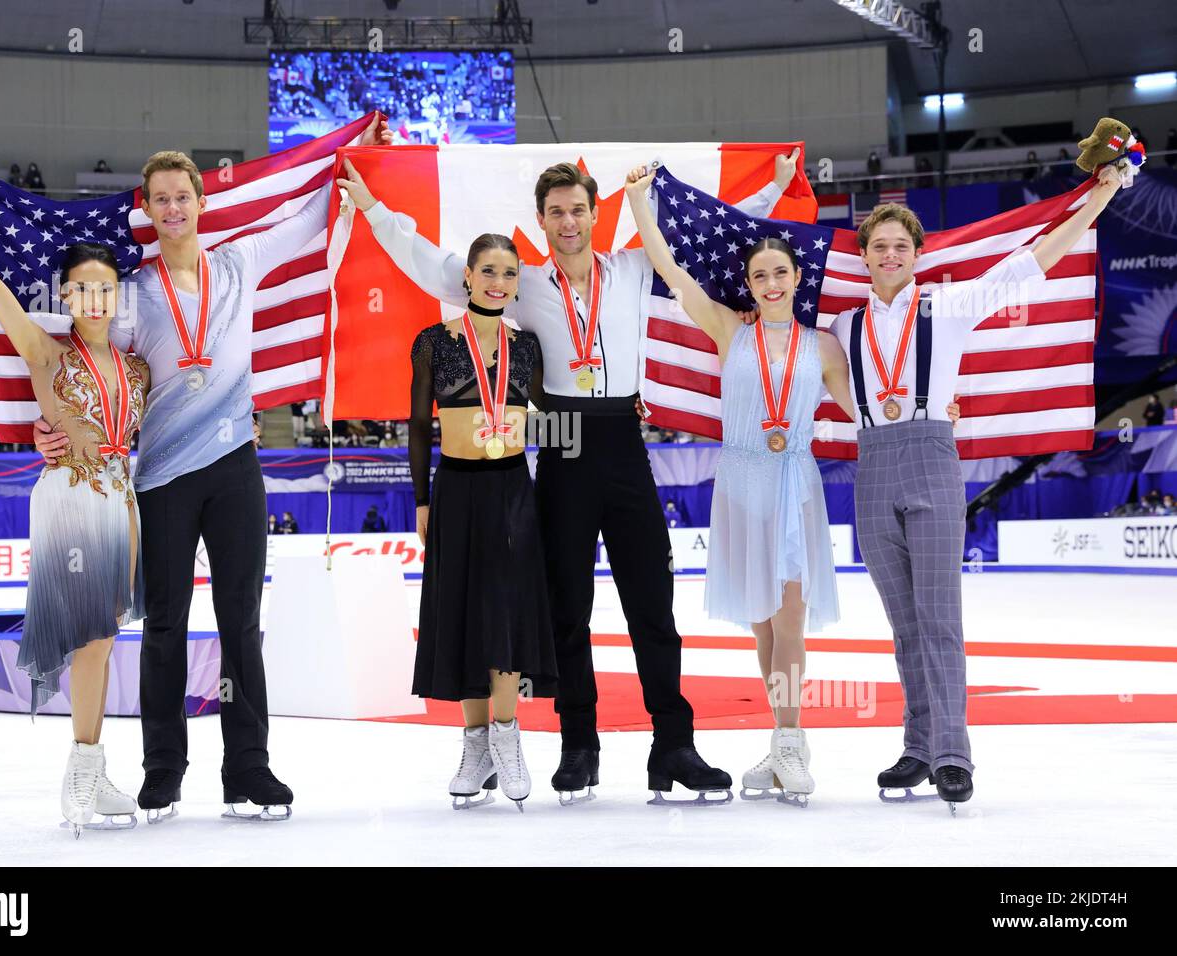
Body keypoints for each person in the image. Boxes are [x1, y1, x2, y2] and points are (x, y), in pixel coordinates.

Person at [341, 147, 803, 805]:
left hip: (622, 439)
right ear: (542, 217)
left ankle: (674, 744)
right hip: (561, 444)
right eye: (555, 212)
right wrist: (373, 209)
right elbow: (436, 264)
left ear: (595, 213)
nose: (567, 221)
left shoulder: (636, 265)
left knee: (652, 604)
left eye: (577, 209)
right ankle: (578, 746)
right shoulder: (523, 281)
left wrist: (776, 188)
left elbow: (714, 235)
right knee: (568, 609)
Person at [33, 115, 394, 822]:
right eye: (160, 198)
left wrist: (362, 164)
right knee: (164, 624)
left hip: (234, 469)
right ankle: (162, 769)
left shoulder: (240, 262)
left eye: (183, 197)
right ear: (146, 206)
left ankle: (248, 768)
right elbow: (85, 360)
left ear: (201, 203)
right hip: (163, 477)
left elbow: (310, 216)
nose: (173, 209)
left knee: (241, 621)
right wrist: (53, 424)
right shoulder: (130, 292)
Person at [831, 164, 1126, 811]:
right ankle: (917, 744)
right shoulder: (842, 329)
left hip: (933, 456)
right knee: (903, 625)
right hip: (872, 465)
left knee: (939, 618)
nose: (889, 255)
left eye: (900, 246)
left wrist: (1097, 198)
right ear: (864, 256)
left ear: (916, 255)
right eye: (878, 246)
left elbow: (1030, 262)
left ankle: (952, 754)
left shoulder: (950, 305)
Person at [0, 151, 148, 836]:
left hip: (123, 505)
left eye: (105, 288)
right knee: (89, 638)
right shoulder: (46, 355)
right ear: (64, 297)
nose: (94, 300)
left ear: (118, 296)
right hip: (70, 500)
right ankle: (82, 772)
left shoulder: (138, 366)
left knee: (105, 640)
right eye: (81, 289)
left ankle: (92, 763)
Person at [408, 233, 556, 809]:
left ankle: (507, 737)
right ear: (467, 276)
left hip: (512, 488)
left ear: (518, 283)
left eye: (509, 273)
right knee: (463, 611)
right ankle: (475, 746)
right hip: (456, 491)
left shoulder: (528, 347)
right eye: (488, 270)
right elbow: (419, 426)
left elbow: (556, 410)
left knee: (504, 612)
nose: (499, 281)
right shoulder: (433, 343)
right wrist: (422, 500)